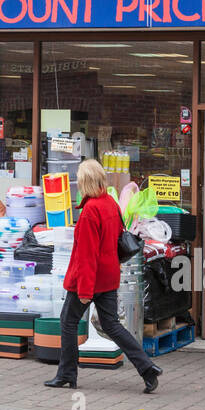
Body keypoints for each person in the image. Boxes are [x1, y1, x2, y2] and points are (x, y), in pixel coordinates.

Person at [44, 159, 164, 394]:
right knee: (112, 325)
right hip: (109, 276)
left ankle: (67, 374)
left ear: (84, 182)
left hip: (88, 281)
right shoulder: (109, 202)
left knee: (67, 323)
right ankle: (147, 367)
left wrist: (85, 293)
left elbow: (87, 257)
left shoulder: (90, 212)